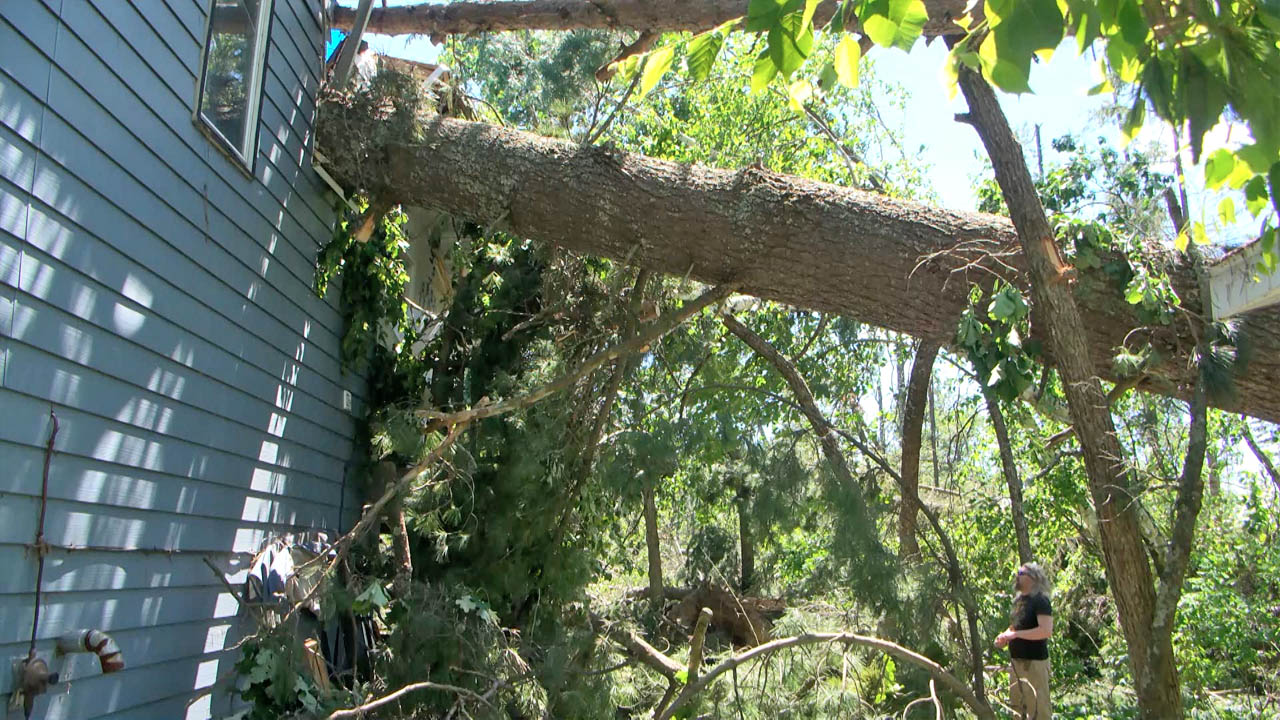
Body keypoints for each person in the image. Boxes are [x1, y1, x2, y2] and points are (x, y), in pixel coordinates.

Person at [995, 562, 1053, 719]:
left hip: (1035, 664)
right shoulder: (1018, 601)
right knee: (1017, 709)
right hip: (1016, 663)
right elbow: (1014, 628)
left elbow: (1045, 631)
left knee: (1039, 710)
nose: (1017, 576)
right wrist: (1004, 636)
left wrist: (1015, 635)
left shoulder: (1040, 600)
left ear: (1033, 578)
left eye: (1021, 573)